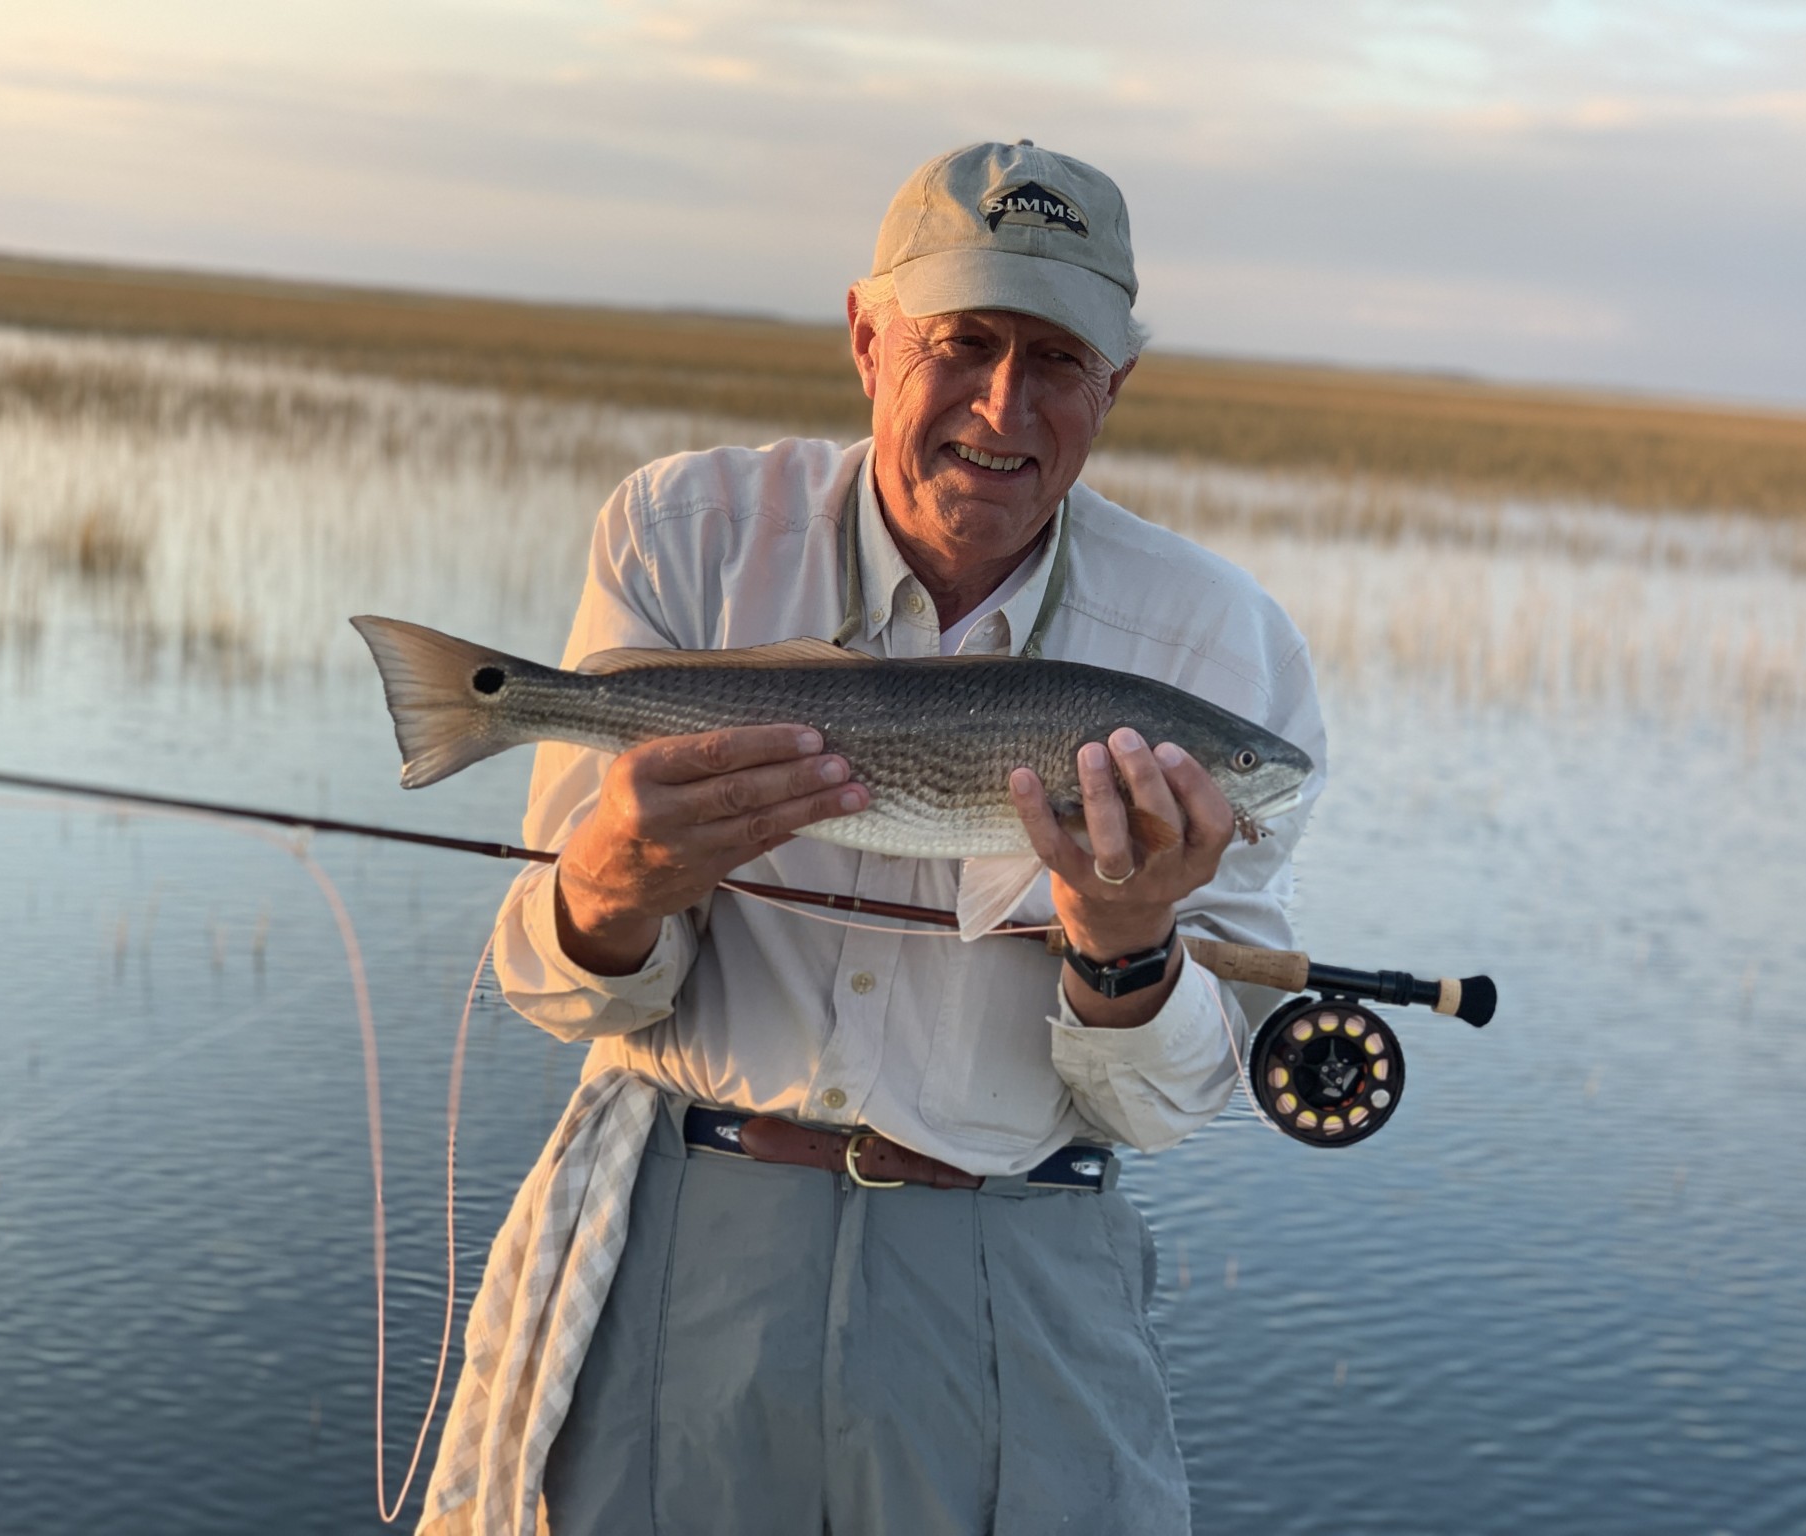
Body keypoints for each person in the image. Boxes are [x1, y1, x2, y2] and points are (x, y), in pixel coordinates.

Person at [422, 140, 1327, 1536]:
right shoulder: (683, 533)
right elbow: (556, 992)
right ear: (866, 337)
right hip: (675, 1228)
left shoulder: (1220, 641)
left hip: (1020, 1266)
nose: (1004, 404)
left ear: (1116, 386)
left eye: (1059, 358)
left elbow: (1169, 1107)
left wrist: (1127, 947)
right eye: (963, 342)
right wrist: (614, 882)